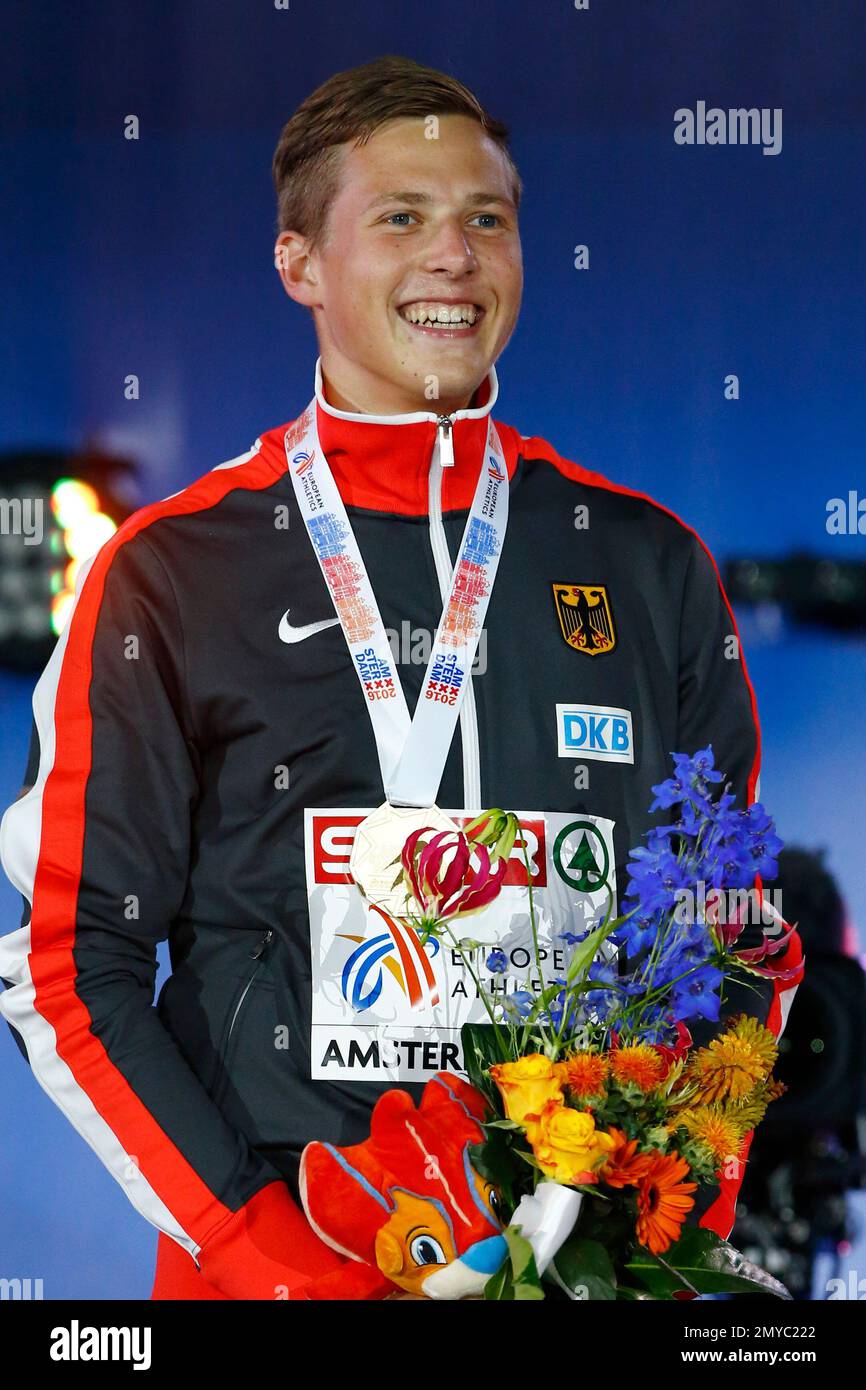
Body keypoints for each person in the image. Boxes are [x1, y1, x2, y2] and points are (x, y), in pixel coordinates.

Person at [0, 54, 804, 1301]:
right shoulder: (171, 574)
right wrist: (267, 1261)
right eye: (401, 218)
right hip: (278, 1272)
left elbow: (731, 938)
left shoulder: (645, 564)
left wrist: (644, 1223)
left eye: (487, 218)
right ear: (300, 267)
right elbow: (68, 967)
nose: (455, 255)